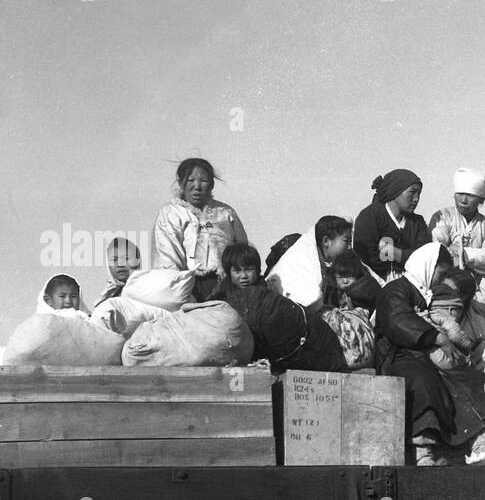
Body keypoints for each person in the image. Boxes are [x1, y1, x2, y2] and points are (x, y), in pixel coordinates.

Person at [374, 243, 485, 465]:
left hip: (423, 353)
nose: (439, 279)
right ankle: (423, 454)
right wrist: (437, 337)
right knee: (423, 381)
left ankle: (479, 446)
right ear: (428, 266)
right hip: (397, 355)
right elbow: (397, 321)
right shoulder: (395, 290)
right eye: (440, 272)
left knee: (470, 379)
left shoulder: (425, 292)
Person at [217, 243, 347, 374]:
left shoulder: (267, 295)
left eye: (249, 269)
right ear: (229, 272)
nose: (243, 276)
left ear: (257, 270)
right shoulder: (222, 296)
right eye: (237, 271)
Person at [152, 157, 249, 299]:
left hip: (227, 283)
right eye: (190, 180)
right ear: (180, 183)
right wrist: (180, 290)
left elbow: (242, 250)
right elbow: (168, 258)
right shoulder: (171, 213)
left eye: (203, 181)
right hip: (189, 285)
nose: (197, 186)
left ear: (212, 185)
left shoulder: (226, 212)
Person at [428, 169, 485, 283]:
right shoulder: (443, 216)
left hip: (473, 289)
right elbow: (436, 250)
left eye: (470, 195)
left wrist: (462, 253)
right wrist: (475, 256)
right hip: (440, 285)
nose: (463, 200)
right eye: (460, 194)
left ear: (481, 199)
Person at [353, 169, 432, 279]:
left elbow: (426, 258)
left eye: (419, 193)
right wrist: (407, 256)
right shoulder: (369, 217)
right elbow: (367, 258)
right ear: (395, 191)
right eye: (412, 192)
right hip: (374, 282)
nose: (416, 199)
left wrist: (393, 253)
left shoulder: (417, 222)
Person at [92, 237, 142, 309]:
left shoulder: (146, 291)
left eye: (126, 258)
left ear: (137, 261)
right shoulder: (106, 297)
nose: (120, 264)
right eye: (114, 260)